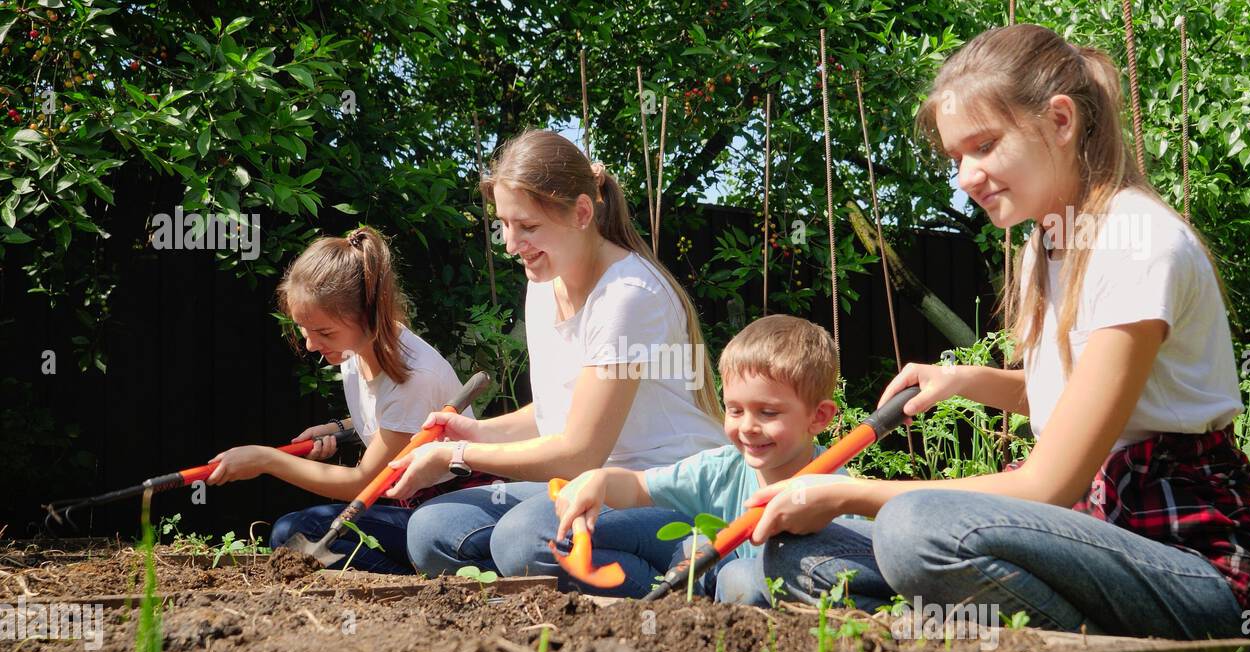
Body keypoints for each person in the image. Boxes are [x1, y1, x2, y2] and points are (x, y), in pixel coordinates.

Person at [742, 24, 1250, 641]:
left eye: (984, 146)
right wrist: (965, 381)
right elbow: (1080, 397)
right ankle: (973, 631)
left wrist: (842, 492)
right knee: (800, 559)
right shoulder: (1047, 245)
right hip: (1090, 541)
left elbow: (1049, 485)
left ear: (1060, 120)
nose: (965, 178)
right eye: (956, 158)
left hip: (1186, 562)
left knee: (915, 529)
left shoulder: (1138, 243)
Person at [384, 129, 729, 595]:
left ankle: (698, 577)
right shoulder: (544, 283)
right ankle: (552, 578)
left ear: (582, 213)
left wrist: (457, 456)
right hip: (586, 488)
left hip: (661, 490)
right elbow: (558, 414)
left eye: (527, 226)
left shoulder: (628, 296)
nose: (510, 243)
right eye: (504, 223)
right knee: (433, 528)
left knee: (525, 537)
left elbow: (580, 450)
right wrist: (477, 431)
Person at [552, 314, 893, 604]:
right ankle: (670, 610)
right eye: (735, 410)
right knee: (697, 551)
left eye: (768, 412)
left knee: (739, 578)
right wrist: (599, 480)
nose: (747, 427)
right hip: (716, 583)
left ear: (818, 417)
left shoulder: (834, 493)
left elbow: (846, 574)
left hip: (777, 601)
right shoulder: (720, 468)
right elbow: (638, 486)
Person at [206, 227, 483, 574]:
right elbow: (391, 422)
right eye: (304, 329)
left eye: (324, 332)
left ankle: (424, 573)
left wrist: (266, 460)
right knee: (296, 537)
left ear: (369, 313)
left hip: (450, 510)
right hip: (413, 504)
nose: (310, 345)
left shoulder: (415, 376)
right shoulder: (356, 350)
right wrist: (339, 429)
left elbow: (363, 482)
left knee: (296, 533)